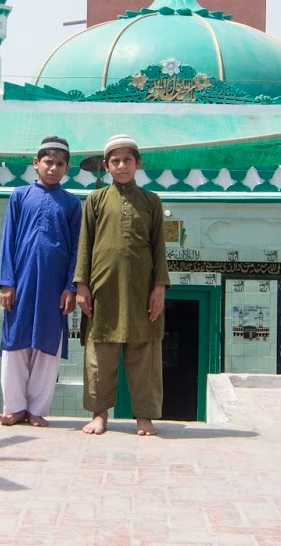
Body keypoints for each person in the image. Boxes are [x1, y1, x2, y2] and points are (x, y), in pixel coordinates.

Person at [74, 133, 169, 436]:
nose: (122, 166)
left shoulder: (151, 201)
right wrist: (81, 285)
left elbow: (159, 248)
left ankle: (145, 417)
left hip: (142, 290)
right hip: (103, 289)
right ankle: (99, 414)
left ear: (138, 163)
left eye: (128, 160)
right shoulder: (96, 200)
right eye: (115, 161)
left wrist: (159, 288)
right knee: (100, 354)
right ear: (106, 166)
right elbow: (85, 244)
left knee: (144, 354)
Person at [0, 134, 81, 427]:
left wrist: (70, 287)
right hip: (21, 283)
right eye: (48, 162)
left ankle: (36, 410)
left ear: (67, 168)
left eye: (60, 164)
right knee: (15, 342)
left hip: (54, 287)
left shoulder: (71, 204)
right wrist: (6, 282)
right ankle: (14, 407)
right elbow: (8, 240)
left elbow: (77, 249)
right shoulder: (19, 196)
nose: (53, 168)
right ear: (36, 163)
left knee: (47, 347)